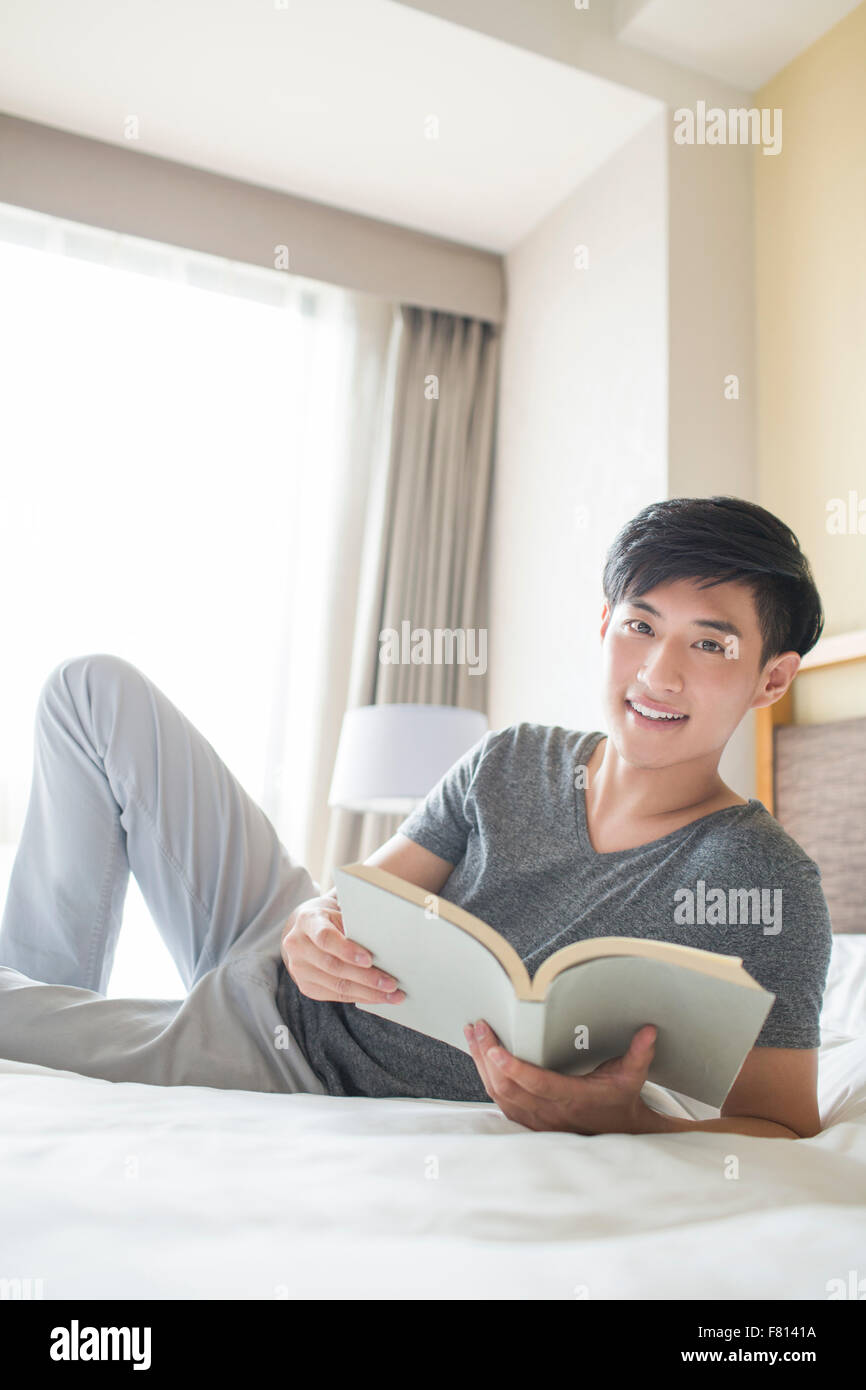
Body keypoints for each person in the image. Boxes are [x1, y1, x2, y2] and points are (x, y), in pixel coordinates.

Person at [0, 496, 831, 1139]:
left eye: (710, 644)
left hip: (288, 1053)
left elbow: (784, 1124)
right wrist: (314, 923)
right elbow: (362, 898)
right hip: (285, 955)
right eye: (640, 624)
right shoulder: (515, 756)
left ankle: (45, 1011)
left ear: (771, 678)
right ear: (604, 623)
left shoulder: (760, 877)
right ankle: (53, 986)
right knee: (88, 690)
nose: (657, 672)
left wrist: (627, 1122)